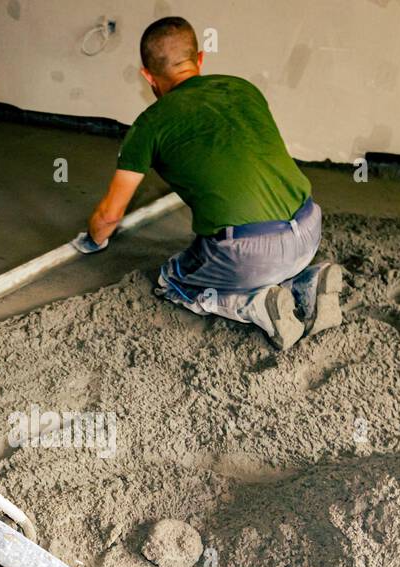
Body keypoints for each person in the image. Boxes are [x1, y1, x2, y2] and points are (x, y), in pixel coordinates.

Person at [75, 16, 342, 350]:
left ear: (147, 76)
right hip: (309, 227)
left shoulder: (149, 125)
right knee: (269, 256)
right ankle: (307, 281)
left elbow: (109, 217)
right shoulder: (243, 88)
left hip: (249, 253)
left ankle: (254, 305)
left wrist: (92, 241)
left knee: (173, 279)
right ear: (199, 59)